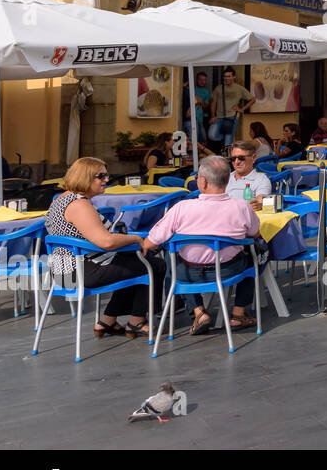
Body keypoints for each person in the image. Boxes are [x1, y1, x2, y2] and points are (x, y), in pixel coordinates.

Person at [45, 157, 166, 338]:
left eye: (107, 175)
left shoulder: (61, 200)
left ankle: (107, 321)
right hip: (80, 270)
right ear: (85, 177)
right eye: (100, 176)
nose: (106, 180)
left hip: (65, 268)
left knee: (132, 263)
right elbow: (106, 242)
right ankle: (137, 322)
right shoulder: (79, 205)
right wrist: (136, 239)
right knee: (154, 265)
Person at [143, 156, 261, 335]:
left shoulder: (181, 208)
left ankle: (198, 311)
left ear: (203, 182)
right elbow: (255, 234)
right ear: (227, 180)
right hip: (228, 270)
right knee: (254, 254)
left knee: (172, 255)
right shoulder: (242, 207)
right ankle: (238, 313)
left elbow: (151, 243)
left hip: (187, 274)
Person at [208, 68, 253, 148]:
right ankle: (227, 139)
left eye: (229, 76)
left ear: (234, 77)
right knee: (212, 135)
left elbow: (252, 99)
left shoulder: (239, 88)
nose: (226, 78)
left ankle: (227, 158)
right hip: (219, 117)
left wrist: (242, 109)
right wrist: (213, 116)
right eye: (225, 76)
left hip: (232, 117)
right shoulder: (219, 88)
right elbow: (213, 103)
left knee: (227, 143)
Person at [225, 140, 272, 209]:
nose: (236, 162)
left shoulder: (261, 180)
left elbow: (260, 202)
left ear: (253, 158)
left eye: (241, 158)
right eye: (233, 158)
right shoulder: (225, 177)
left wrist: (259, 205)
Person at [181, 70, 211, 145]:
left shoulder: (206, 92)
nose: (202, 81)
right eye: (200, 79)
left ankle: (199, 156)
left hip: (200, 119)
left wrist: (201, 102)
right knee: (193, 140)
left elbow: (206, 107)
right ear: (196, 80)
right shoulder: (190, 89)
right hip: (190, 118)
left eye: (204, 80)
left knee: (203, 141)